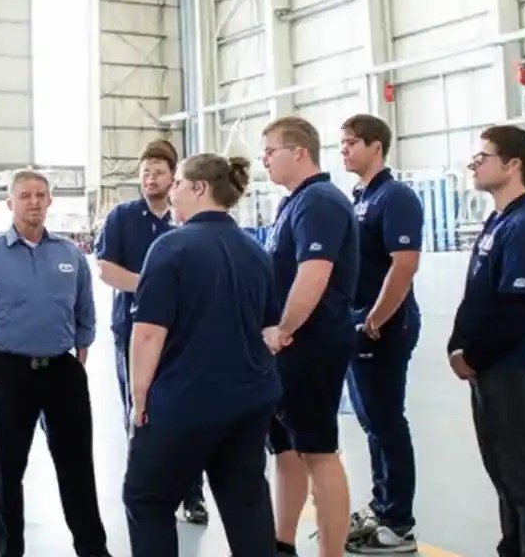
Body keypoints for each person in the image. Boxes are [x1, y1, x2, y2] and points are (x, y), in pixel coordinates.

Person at [122, 153, 281, 557]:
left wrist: (139, 399)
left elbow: (147, 336)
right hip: (248, 401)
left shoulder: (170, 248)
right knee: (246, 503)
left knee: (148, 499)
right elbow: (269, 330)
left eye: (177, 185)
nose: (171, 194)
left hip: (185, 403)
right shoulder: (254, 251)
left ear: (198, 188)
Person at [0, 170, 112, 557]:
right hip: (7, 373)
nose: (34, 202)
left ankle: (93, 549)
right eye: (25, 195)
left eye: (41, 194)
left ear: (50, 201)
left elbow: (84, 307)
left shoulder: (68, 255)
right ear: (10, 203)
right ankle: (9, 551)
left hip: (62, 372)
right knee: (7, 472)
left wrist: (83, 343)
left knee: (77, 468)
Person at [448, 125, 525, 557]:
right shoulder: (500, 220)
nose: (475, 165)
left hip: (521, 368)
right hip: (494, 369)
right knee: (505, 475)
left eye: (483, 157)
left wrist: (473, 356)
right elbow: (478, 294)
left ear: (513, 164)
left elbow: (518, 309)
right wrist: (457, 345)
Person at [94, 139, 210, 525]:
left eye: (158, 172)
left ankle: (192, 495)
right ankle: (147, 490)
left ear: (173, 177)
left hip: (183, 333)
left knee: (187, 410)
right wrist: (151, 286)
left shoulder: (186, 218)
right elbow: (106, 269)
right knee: (138, 409)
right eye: (145, 171)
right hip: (132, 329)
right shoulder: (121, 217)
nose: (150, 178)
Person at [259, 116, 357, 557]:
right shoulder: (296, 202)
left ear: (298, 152)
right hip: (292, 347)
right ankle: (283, 542)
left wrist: (283, 329)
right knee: (286, 448)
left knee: (318, 450)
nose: (265, 162)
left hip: (311, 344)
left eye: (270, 152)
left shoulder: (319, 202)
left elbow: (313, 275)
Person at [338, 114, 424, 554]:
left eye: (352, 142)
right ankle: (382, 505)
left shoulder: (395, 196)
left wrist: (375, 320)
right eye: (342, 143)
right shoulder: (359, 197)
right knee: (372, 421)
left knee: (387, 420)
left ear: (376, 147)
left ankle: (398, 523)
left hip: (382, 326)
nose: (344, 150)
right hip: (358, 323)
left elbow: (404, 264)